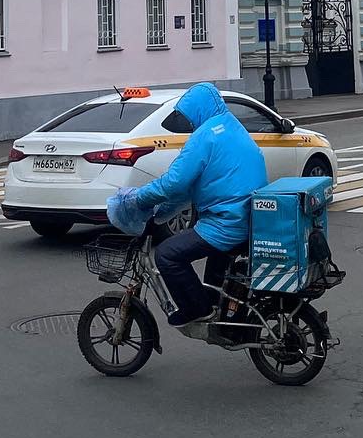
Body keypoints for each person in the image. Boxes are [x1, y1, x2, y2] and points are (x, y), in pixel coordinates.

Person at [107, 83, 267, 327]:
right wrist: (164, 209)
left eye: (189, 115)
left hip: (227, 222)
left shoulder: (205, 136)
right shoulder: (232, 126)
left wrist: (138, 198)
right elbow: (194, 185)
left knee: (167, 254)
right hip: (247, 216)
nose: (189, 122)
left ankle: (197, 310)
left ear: (197, 110)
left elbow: (174, 182)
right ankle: (221, 318)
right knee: (214, 275)